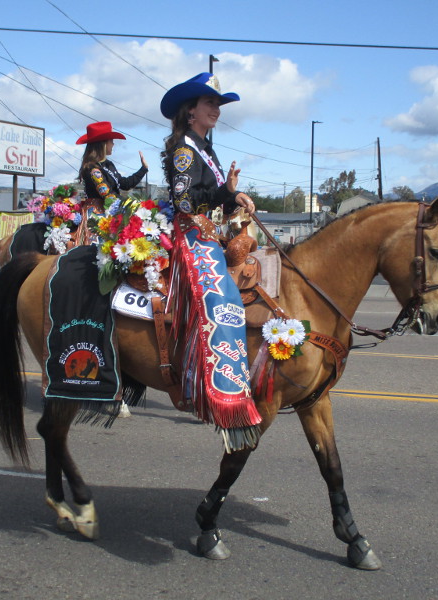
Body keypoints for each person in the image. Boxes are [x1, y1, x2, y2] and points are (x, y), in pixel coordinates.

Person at [160, 72, 261, 451]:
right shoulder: (185, 150)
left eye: (218, 105)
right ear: (191, 111)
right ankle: (218, 389)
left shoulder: (206, 147)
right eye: (210, 104)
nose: (216, 110)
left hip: (210, 232)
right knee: (222, 299)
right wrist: (227, 193)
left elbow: (214, 196)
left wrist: (236, 197)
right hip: (191, 233)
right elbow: (186, 202)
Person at [76, 121, 148, 244]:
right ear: (103, 144)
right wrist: (131, 205)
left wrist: (143, 169)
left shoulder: (108, 165)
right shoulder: (92, 168)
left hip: (109, 209)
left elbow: (124, 184)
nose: (113, 144)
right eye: (111, 141)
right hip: (97, 213)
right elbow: (107, 195)